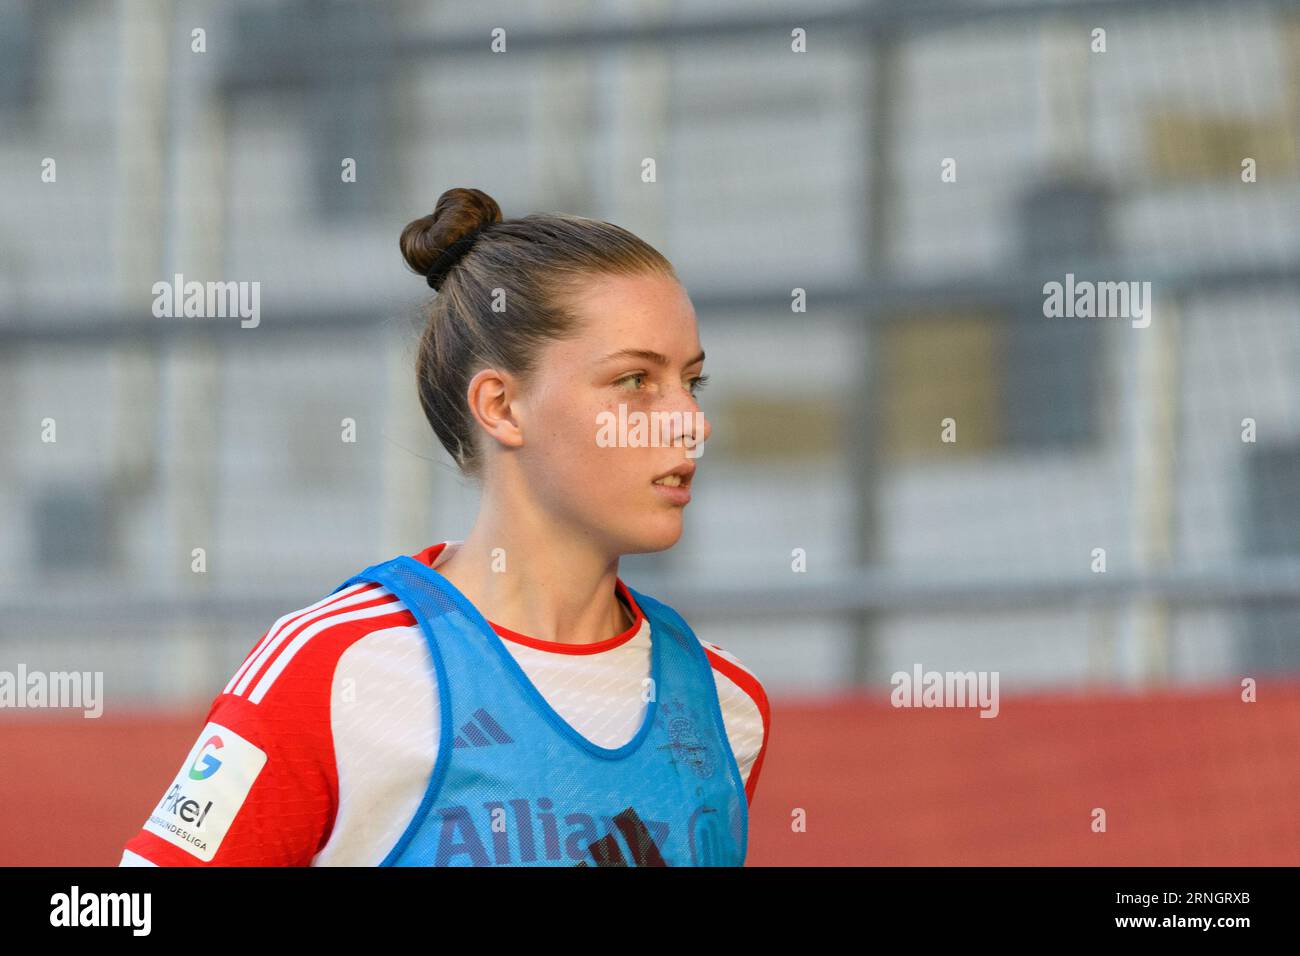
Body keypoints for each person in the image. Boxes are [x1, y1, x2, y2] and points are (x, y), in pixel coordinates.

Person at [119, 187, 770, 866]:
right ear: (502, 407)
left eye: (691, 383)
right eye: (635, 381)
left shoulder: (726, 705)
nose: (691, 423)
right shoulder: (336, 669)